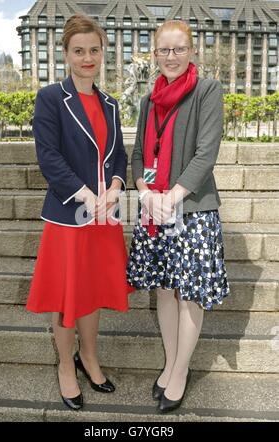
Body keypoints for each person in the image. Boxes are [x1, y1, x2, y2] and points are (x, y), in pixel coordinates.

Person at [26, 14, 133, 411]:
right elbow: (49, 158)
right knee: (68, 293)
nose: (87, 58)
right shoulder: (51, 98)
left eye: (93, 50)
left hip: (104, 216)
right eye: (79, 51)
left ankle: (89, 358)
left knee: (93, 291)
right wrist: (86, 194)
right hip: (70, 215)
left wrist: (118, 186)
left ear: (102, 52)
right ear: (66, 55)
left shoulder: (111, 104)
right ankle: (65, 367)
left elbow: (119, 155)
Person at [127, 20, 230, 414]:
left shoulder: (207, 90)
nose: (171, 57)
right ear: (155, 54)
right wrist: (144, 190)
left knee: (189, 296)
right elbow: (138, 154)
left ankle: (180, 371)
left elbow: (207, 152)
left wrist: (172, 195)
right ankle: (171, 363)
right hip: (156, 208)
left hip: (193, 209)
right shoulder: (148, 100)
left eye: (178, 49)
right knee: (165, 290)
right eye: (164, 50)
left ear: (191, 51)